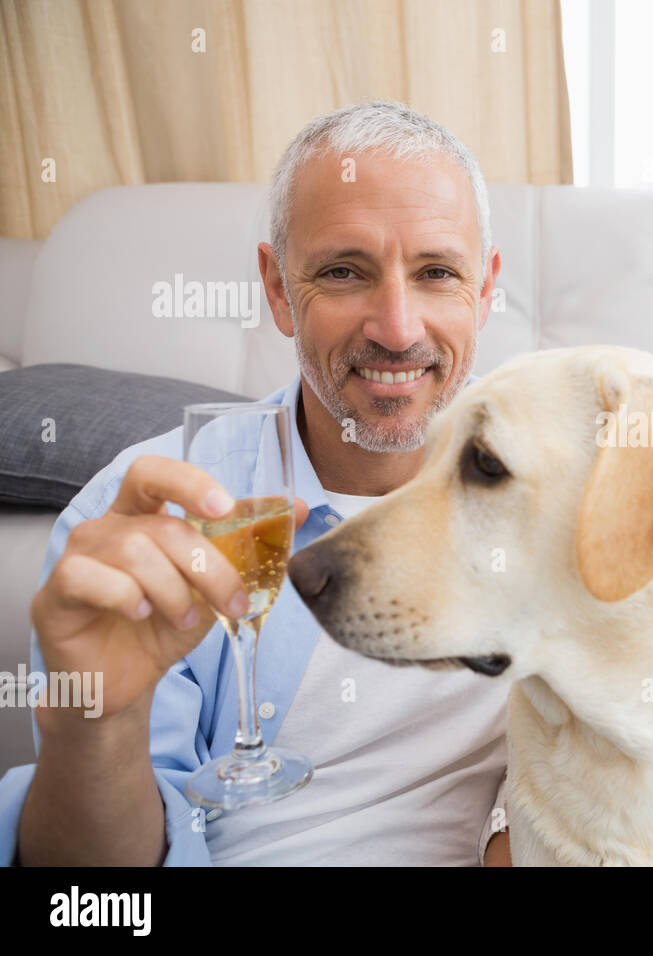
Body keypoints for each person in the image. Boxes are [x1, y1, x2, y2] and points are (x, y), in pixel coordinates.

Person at [0, 100, 514, 866]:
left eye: (437, 272)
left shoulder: (559, 492)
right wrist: (97, 727)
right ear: (277, 289)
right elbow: (93, 899)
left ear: (482, 290)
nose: (398, 328)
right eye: (345, 271)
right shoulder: (145, 522)